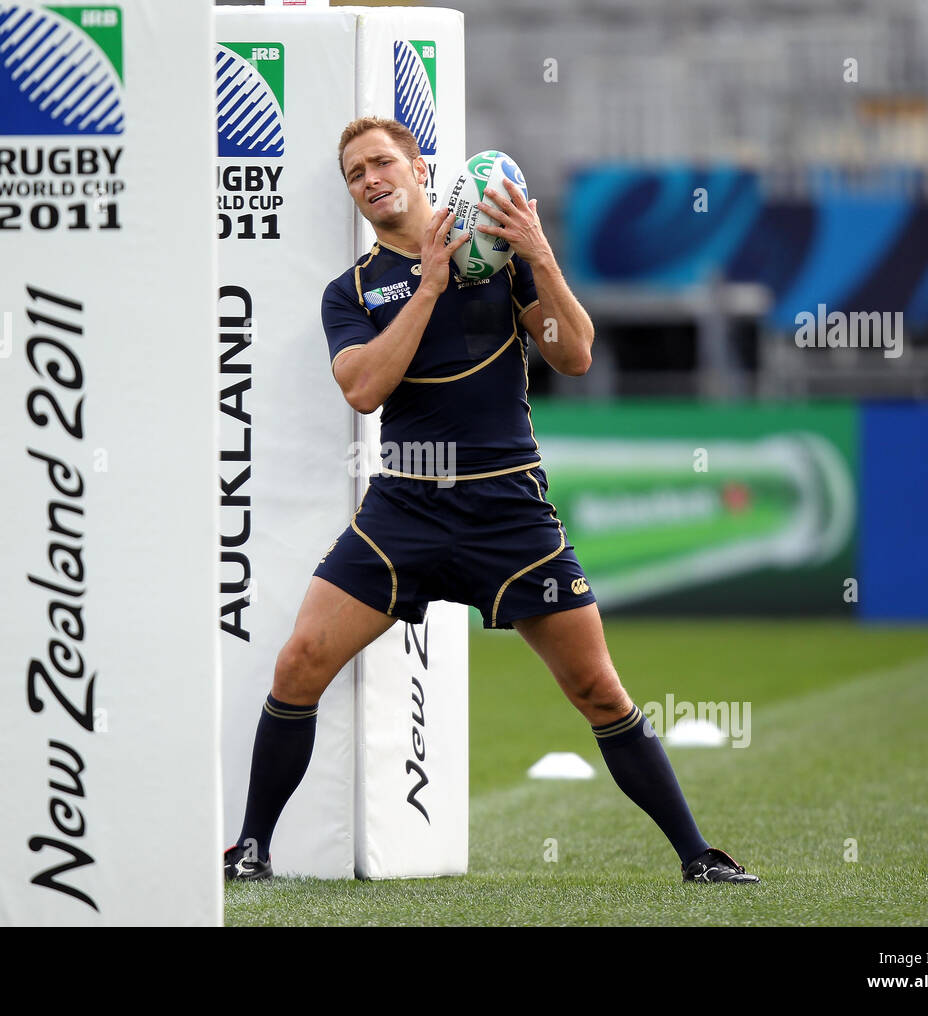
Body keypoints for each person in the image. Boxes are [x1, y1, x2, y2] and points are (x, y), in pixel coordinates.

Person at [223, 116, 759, 886]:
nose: (371, 180)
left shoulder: (503, 261)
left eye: (382, 163)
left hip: (509, 511)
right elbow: (365, 387)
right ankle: (251, 849)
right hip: (403, 512)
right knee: (300, 662)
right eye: (355, 174)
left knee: (597, 689)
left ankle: (698, 856)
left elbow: (574, 355)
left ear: (417, 169)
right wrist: (429, 286)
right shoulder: (352, 290)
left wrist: (538, 253)